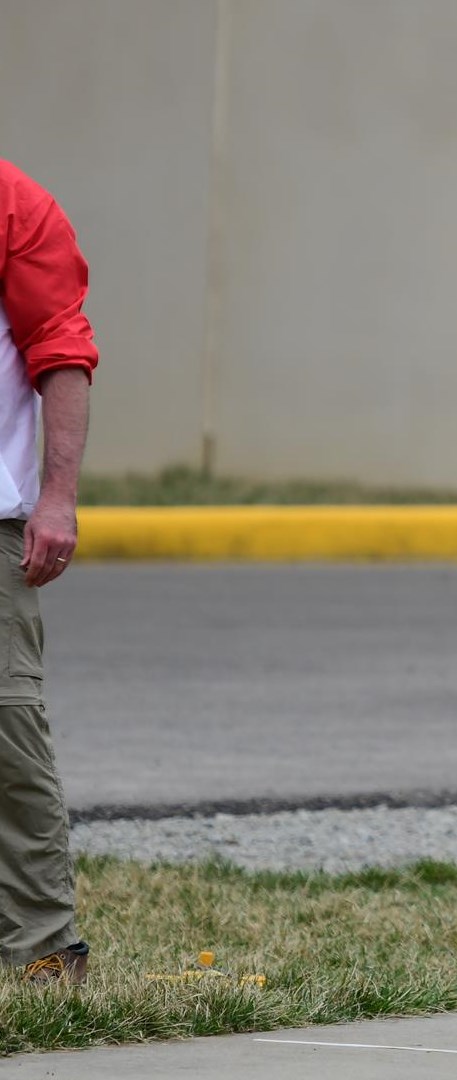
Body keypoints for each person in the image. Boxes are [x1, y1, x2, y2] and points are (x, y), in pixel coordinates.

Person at [1, 158, 95, 985]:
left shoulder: (13, 203)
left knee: (7, 728)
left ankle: (41, 947)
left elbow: (60, 349)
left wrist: (56, 497)